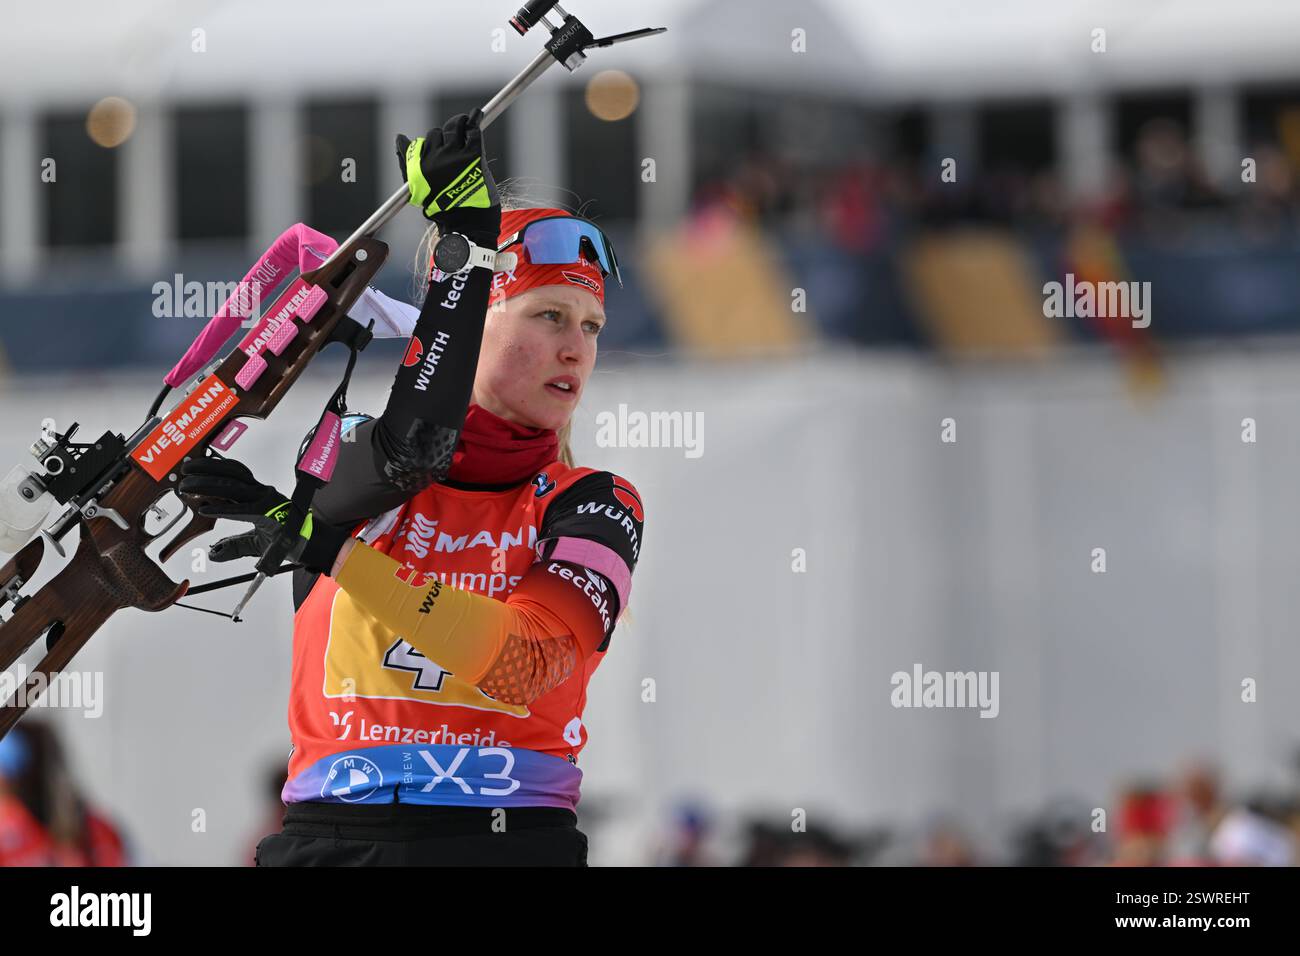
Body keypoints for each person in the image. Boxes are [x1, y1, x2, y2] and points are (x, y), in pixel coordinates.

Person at [179, 113, 644, 866]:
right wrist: (467, 254)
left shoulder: (593, 502)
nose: (575, 348)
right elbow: (415, 449)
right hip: (335, 841)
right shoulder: (353, 451)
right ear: (474, 325)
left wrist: (332, 553)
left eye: (590, 326)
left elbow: (522, 665)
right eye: (550, 315)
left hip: (505, 844)